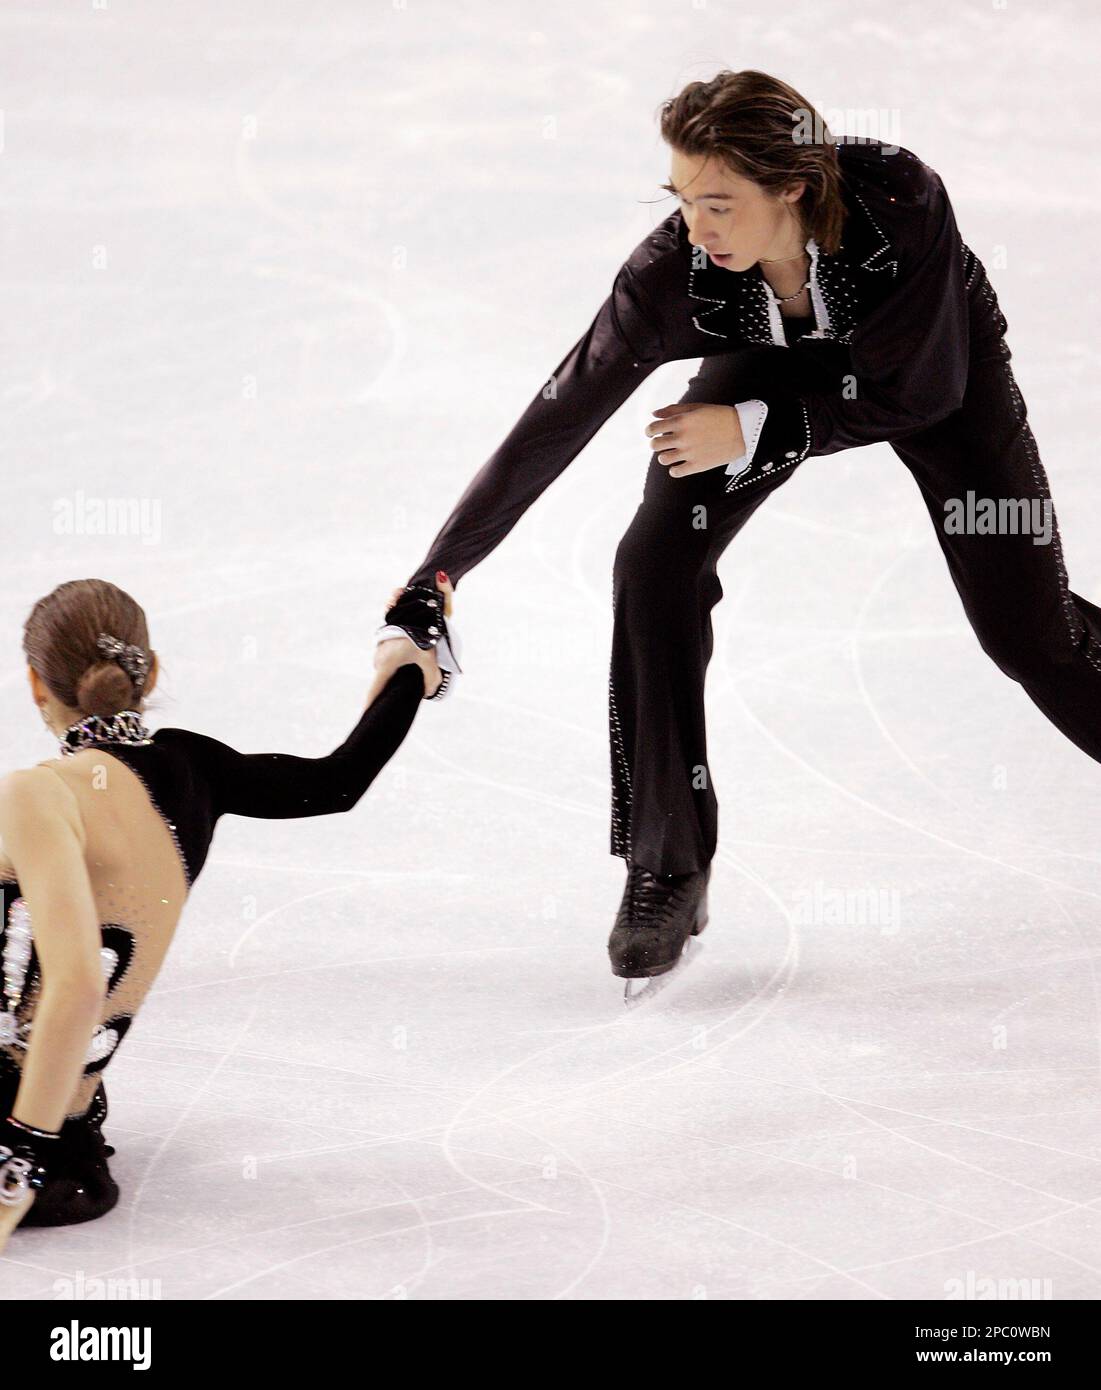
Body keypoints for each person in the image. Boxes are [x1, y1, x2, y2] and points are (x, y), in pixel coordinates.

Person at [382, 68, 1101, 989]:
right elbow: (558, 414)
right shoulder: (673, 274)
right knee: (651, 564)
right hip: (765, 367)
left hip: (927, 367)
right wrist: (436, 575)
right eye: (680, 200)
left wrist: (757, 429)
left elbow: (920, 395)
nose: (694, 227)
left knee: (1027, 636)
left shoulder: (897, 200)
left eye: (717, 204)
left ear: (792, 186)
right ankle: (667, 862)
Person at [0, 574, 452, 1245]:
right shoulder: (194, 769)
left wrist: (15, 1163)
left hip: (27, 1148)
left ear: (38, 685)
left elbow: (75, 980)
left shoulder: (38, 797)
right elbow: (337, 781)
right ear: (149, 672)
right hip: (74, 1152)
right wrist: (411, 664)